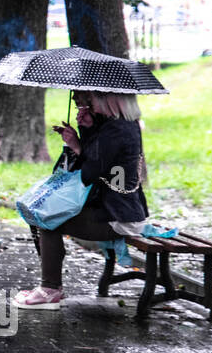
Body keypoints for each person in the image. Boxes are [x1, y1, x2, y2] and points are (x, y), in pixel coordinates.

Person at [15, 90, 148, 309]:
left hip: (118, 216)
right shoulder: (121, 124)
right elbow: (97, 160)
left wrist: (77, 144)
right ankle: (51, 283)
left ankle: (50, 290)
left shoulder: (116, 130)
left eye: (91, 101)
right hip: (116, 210)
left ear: (108, 100)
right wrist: (86, 129)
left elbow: (89, 173)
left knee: (48, 220)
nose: (89, 106)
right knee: (45, 218)